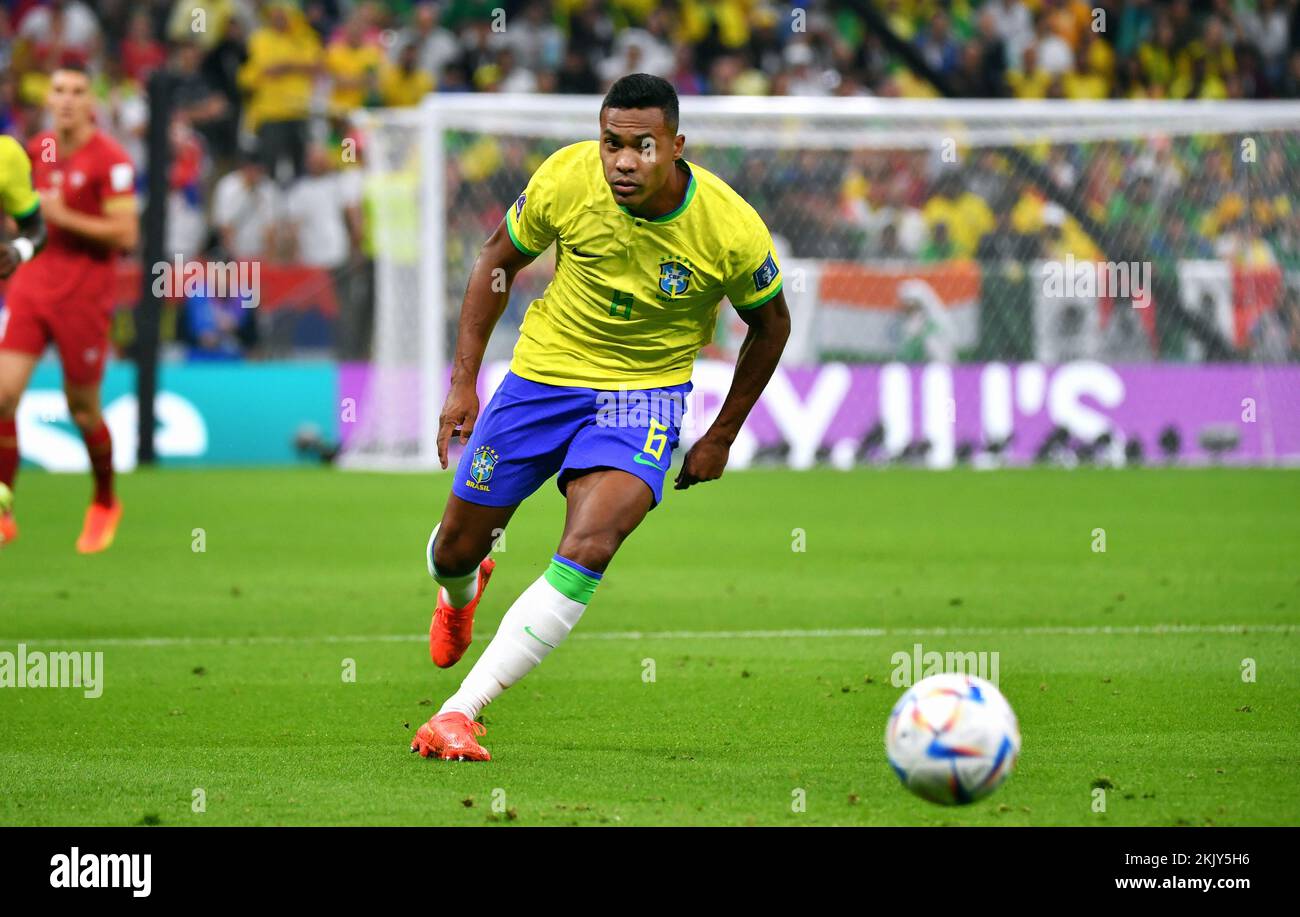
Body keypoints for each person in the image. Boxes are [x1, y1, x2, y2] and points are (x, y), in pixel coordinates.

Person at [412, 74, 790, 761]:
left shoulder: (730, 228)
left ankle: (459, 712)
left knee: (591, 543)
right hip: (541, 381)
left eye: (642, 146)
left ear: (677, 146)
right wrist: (462, 384)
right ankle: (459, 594)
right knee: (452, 549)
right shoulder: (566, 177)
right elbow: (497, 258)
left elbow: (770, 326)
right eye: (611, 142)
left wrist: (722, 432)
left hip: (642, 397)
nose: (622, 160)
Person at [0, 63, 137, 552]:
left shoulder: (110, 159)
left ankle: (104, 500)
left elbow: (126, 234)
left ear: (91, 101)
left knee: (82, 411)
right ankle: (5, 505)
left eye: (78, 91)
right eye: (58, 90)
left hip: (84, 292)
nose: (67, 99)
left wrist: (65, 216)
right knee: (2, 396)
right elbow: (24, 217)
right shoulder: (37, 151)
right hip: (34, 284)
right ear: (48, 98)